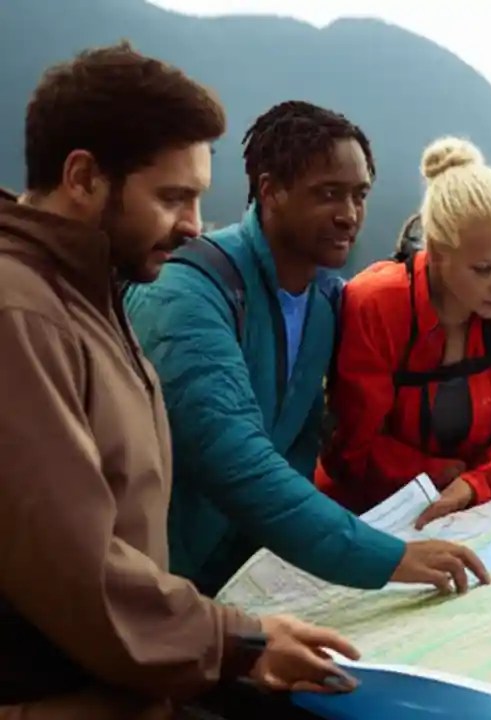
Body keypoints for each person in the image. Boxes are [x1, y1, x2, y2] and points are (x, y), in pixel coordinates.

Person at [0, 42, 359, 719]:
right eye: (172, 197)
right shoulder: (21, 316)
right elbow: (74, 568)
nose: (194, 226)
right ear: (82, 177)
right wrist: (238, 643)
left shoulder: (91, 291)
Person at [124, 101, 489, 597]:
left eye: (359, 195)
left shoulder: (326, 302)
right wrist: (388, 558)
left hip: (242, 584)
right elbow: (236, 462)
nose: (350, 215)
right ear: (271, 191)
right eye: (328, 195)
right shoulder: (186, 292)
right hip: (151, 585)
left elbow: (302, 446)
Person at [317, 136, 491, 528]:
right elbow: (351, 448)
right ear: (437, 251)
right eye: (483, 269)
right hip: (364, 515)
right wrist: (440, 475)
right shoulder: (375, 305)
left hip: (476, 510)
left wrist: (473, 485)